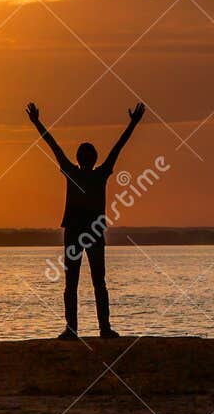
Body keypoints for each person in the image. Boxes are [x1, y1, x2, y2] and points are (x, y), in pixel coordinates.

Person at [25, 100, 146, 340]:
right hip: (80, 231)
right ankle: (86, 329)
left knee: (88, 282)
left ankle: (92, 329)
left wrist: (38, 122)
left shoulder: (93, 173)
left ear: (81, 158)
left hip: (86, 232)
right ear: (86, 159)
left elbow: (56, 147)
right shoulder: (90, 173)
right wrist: (38, 123)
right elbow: (55, 147)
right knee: (84, 283)